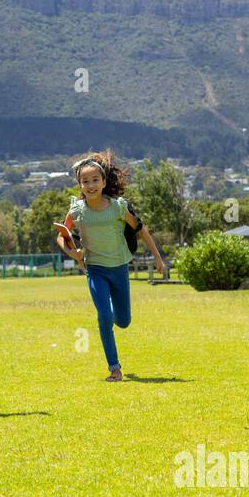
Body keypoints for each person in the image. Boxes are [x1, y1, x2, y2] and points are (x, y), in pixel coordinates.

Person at [56, 150, 166, 382]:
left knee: (123, 321)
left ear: (104, 182)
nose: (90, 185)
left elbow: (141, 229)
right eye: (85, 181)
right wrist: (72, 252)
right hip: (95, 270)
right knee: (104, 316)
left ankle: (114, 316)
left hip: (119, 268)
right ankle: (114, 368)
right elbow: (62, 235)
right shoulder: (76, 210)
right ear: (80, 184)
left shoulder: (117, 207)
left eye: (95, 180)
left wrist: (157, 258)